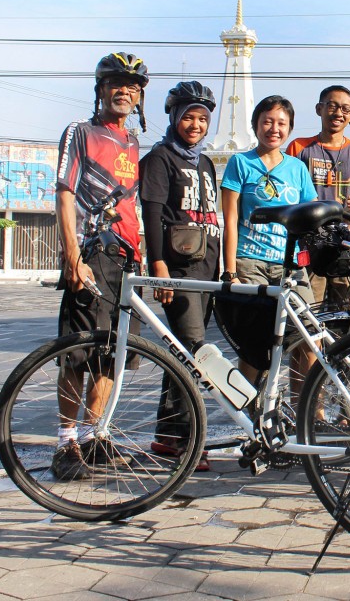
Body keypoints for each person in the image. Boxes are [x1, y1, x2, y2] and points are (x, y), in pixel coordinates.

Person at [52, 52, 149, 480]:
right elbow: (65, 193)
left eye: (132, 85)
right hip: (92, 253)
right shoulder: (80, 132)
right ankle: (66, 443)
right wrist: (72, 254)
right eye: (115, 82)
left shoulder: (132, 142)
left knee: (111, 355)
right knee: (77, 354)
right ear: (101, 88)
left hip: (126, 258)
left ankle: (94, 438)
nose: (123, 90)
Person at [139, 81, 222, 471]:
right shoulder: (160, 158)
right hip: (178, 268)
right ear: (173, 117)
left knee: (184, 354)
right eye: (188, 116)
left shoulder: (204, 163)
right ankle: (188, 440)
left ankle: (168, 436)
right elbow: (152, 214)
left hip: (205, 268)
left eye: (202, 118)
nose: (195, 124)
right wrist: (158, 266)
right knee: (193, 352)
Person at [221, 96, 317, 385]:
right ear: (255, 125)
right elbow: (230, 221)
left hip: (290, 264)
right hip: (249, 262)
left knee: (307, 335)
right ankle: (250, 415)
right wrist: (230, 271)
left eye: (281, 123)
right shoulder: (240, 163)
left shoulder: (297, 168)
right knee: (255, 343)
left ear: (289, 129)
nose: (274, 129)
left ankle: (308, 410)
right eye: (267, 121)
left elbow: (309, 216)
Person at [287, 85, 350, 309]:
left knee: (346, 312)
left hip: (346, 244)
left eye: (345, 109)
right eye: (332, 106)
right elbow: (289, 196)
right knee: (306, 313)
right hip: (308, 243)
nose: (338, 113)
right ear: (319, 109)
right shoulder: (299, 147)